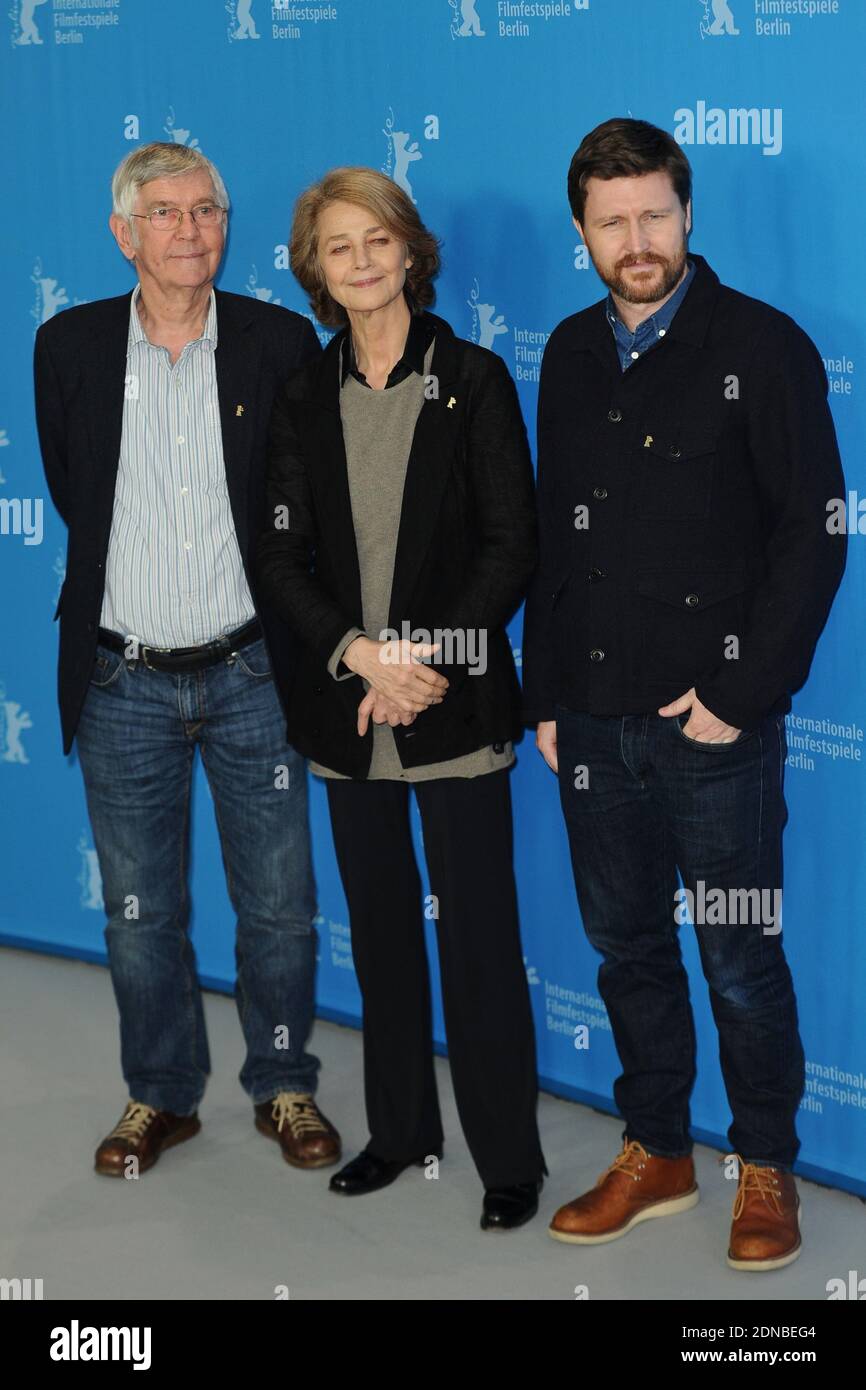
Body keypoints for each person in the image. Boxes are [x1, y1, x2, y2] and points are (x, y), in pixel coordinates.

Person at [522, 117, 846, 1270]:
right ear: (582, 233)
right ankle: (655, 1146)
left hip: (710, 730)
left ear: (686, 212)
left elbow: (811, 539)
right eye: (610, 221)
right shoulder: (564, 353)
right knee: (624, 951)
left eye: (653, 213)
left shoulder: (760, 346)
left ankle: (764, 1164)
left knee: (737, 958)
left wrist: (738, 694)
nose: (635, 238)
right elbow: (551, 541)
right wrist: (545, 698)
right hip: (592, 729)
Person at [33, 142, 340, 1178]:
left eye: (206, 210)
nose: (190, 230)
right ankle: (159, 1094)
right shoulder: (67, 347)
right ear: (124, 235)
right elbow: (81, 498)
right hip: (122, 680)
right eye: (163, 214)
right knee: (139, 910)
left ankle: (285, 1084)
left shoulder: (278, 340)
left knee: (279, 904)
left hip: (254, 673)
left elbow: (299, 510)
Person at [256, 166, 547, 1230]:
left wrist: (416, 658)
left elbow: (511, 546)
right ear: (316, 271)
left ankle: (507, 1157)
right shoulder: (302, 393)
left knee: (476, 937)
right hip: (347, 715)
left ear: (410, 251)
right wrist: (357, 656)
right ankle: (400, 1132)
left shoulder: (471, 380)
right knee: (380, 936)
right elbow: (280, 557)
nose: (363, 260)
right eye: (340, 246)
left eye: (377, 238)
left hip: (453, 704)